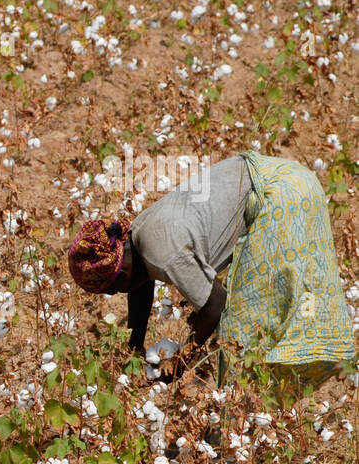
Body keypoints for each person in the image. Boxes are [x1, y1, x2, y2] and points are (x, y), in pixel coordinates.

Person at [68, 152, 354, 386]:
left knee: (244, 325)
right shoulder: (139, 234)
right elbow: (141, 285)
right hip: (282, 174)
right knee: (269, 309)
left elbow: (216, 304)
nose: (117, 293)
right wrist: (134, 348)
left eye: (113, 288)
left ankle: (264, 405)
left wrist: (181, 361)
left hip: (283, 197)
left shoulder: (163, 252)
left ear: (122, 269)